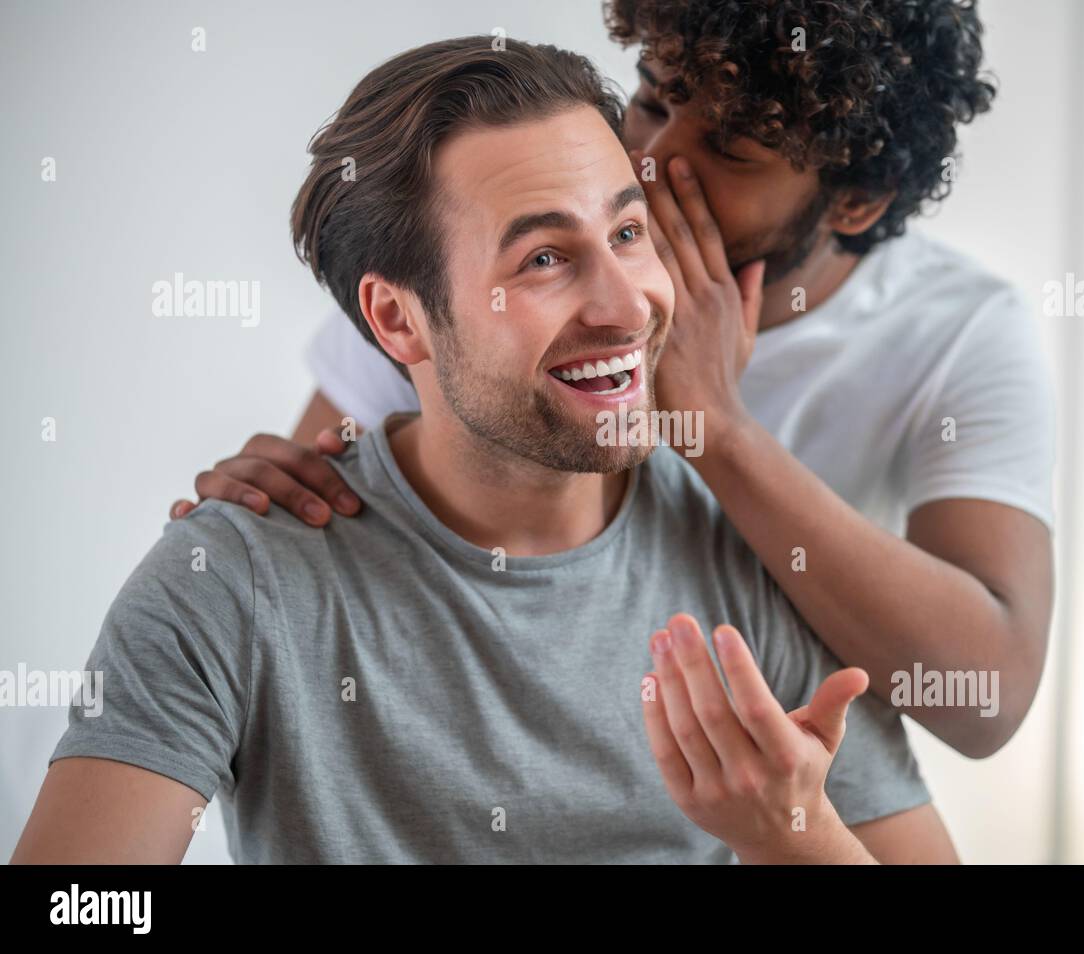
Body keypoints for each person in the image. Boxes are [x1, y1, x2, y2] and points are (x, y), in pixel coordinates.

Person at [13, 38, 957, 864]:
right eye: (543, 258)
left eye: (629, 232)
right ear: (396, 319)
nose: (628, 304)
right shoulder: (231, 579)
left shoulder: (753, 558)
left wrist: (797, 841)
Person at [181, 0, 1056, 759]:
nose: (647, 162)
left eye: (734, 149)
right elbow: (317, 528)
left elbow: (988, 699)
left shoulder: (960, 331)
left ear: (857, 200)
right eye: (651, 100)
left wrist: (716, 430)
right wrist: (275, 501)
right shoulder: (480, 274)